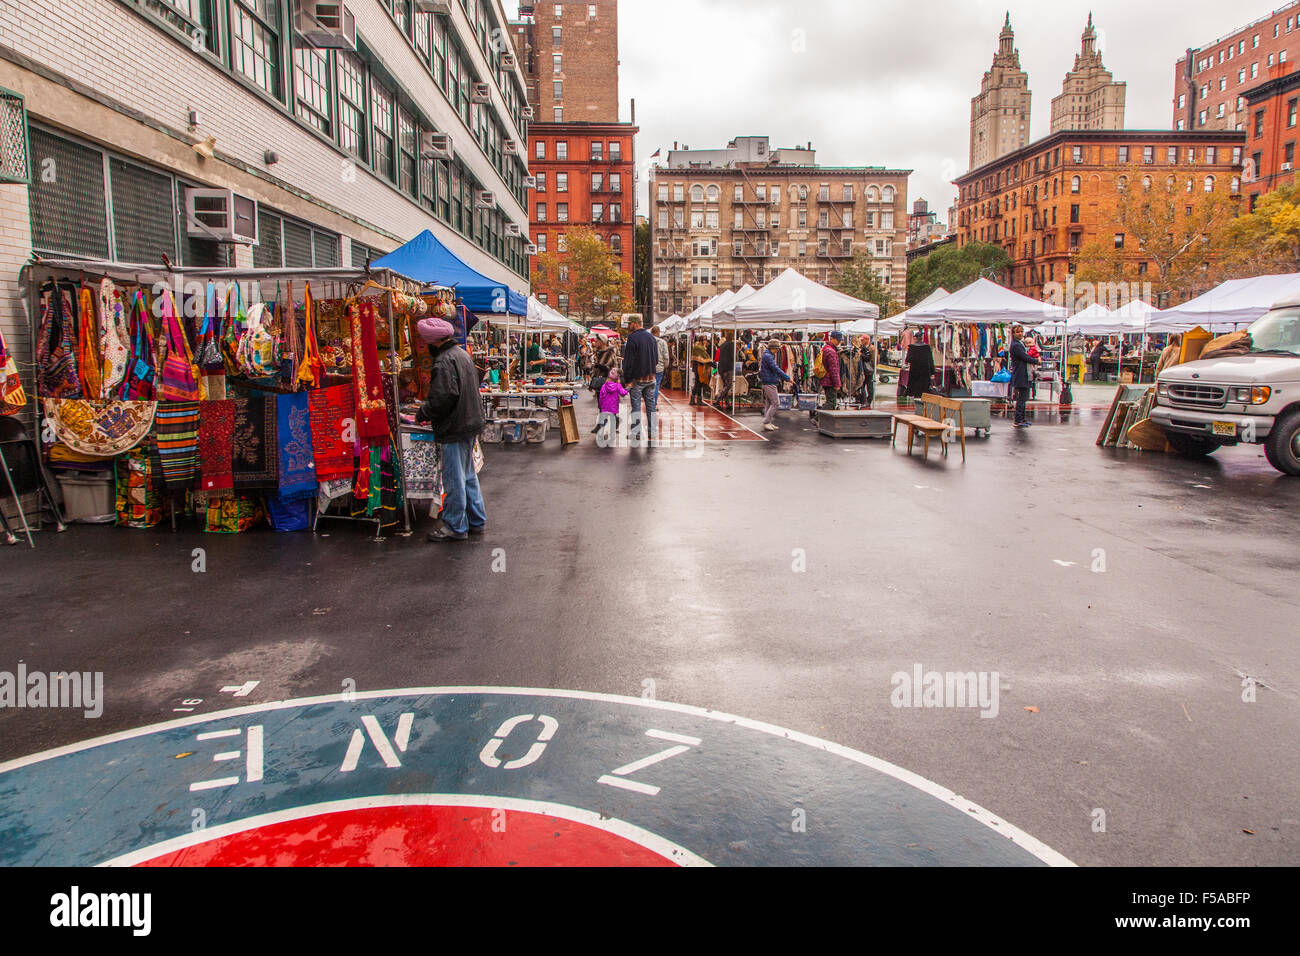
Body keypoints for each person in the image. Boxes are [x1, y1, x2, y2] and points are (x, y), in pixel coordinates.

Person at [416, 318, 487, 542]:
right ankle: (476, 520)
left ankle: (455, 525)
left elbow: (442, 397)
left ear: (431, 341)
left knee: (455, 477)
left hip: (455, 425)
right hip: (469, 422)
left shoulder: (444, 361)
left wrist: (423, 413)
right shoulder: (461, 354)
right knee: (467, 475)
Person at [622, 319, 658, 443]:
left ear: (635, 323)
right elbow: (656, 359)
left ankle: (636, 433)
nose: (628, 326)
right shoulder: (652, 338)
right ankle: (652, 432)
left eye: (629, 323)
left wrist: (627, 379)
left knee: (636, 406)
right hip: (651, 376)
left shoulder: (633, 338)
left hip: (637, 378)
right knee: (651, 405)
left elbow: (628, 361)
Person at [1009, 324, 1040, 428]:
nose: (1020, 334)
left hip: (1023, 374)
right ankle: (1018, 420)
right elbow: (1025, 357)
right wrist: (1037, 361)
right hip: (1021, 374)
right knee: (1021, 398)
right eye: (1018, 332)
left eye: (1021, 332)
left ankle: (1021, 418)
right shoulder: (1016, 345)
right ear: (1013, 333)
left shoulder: (1019, 343)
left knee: (1024, 397)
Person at [759, 339, 791, 431]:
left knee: (769, 402)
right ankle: (766, 422)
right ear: (773, 348)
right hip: (769, 382)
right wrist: (787, 378)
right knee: (775, 403)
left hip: (768, 381)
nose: (777, 351)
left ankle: (768, 422)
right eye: (777, 349)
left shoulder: (767, 355)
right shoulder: (768, 356)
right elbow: (775, 368)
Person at [594, 367, 627, 444]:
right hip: (613, 408)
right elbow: (623, 393)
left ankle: (600, 434)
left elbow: (601, 397)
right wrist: (628, 389)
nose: (612, 370)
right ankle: (612, 435)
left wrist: (601, 406)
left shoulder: (604, 386)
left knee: (603, 421)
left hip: (604, 408)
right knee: (613, 420)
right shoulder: (618, 386)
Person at [820, 331, 843, 411]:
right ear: (832, 339)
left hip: (826, 379)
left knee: (830, 402)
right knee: (831, 403)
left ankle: (819, 418)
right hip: (830, 381)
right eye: (838, 340)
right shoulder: (831, 351)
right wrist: (837, 383)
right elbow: (834, 369)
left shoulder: (826, 348)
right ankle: (817, 418)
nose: (839, 342)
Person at [715, 333, 737, 408]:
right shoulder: (731, 345)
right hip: (728, 367)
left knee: (725, 385)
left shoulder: (722, 345)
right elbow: (732, 356)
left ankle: (727, 403)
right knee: (729, 385)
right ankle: (718, 399)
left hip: (721, 367)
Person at [691, 336, 713, 405]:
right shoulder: (699, 348)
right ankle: (698, 400)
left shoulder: (697, 347)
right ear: (701, 341)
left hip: (697, 367)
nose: (706, 341)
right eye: (704, 340)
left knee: (697, 384)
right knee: (699, 383)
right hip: (699, 367)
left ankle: (693, 400)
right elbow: (704, 358)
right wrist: (713, 364)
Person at [652, 324, 670, 400]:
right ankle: (653, 404)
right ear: (658, 332)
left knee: (649, 386)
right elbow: (666, 356)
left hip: (650, 367)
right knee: (656, 386)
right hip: (660, 367)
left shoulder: (648, 341)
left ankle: (649, 404)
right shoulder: (663, 342)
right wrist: (665, 365)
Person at [857, 335, 875, 407]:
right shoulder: (863, 347)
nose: (861, 341)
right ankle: (863, 400)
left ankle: (869, 400)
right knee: (862, 385)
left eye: (862, 340)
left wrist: (872, 368)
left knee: (869, 386)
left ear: (867, 340)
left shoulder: (872, 348)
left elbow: (873, 359)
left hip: (869, 370)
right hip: (863, 369)